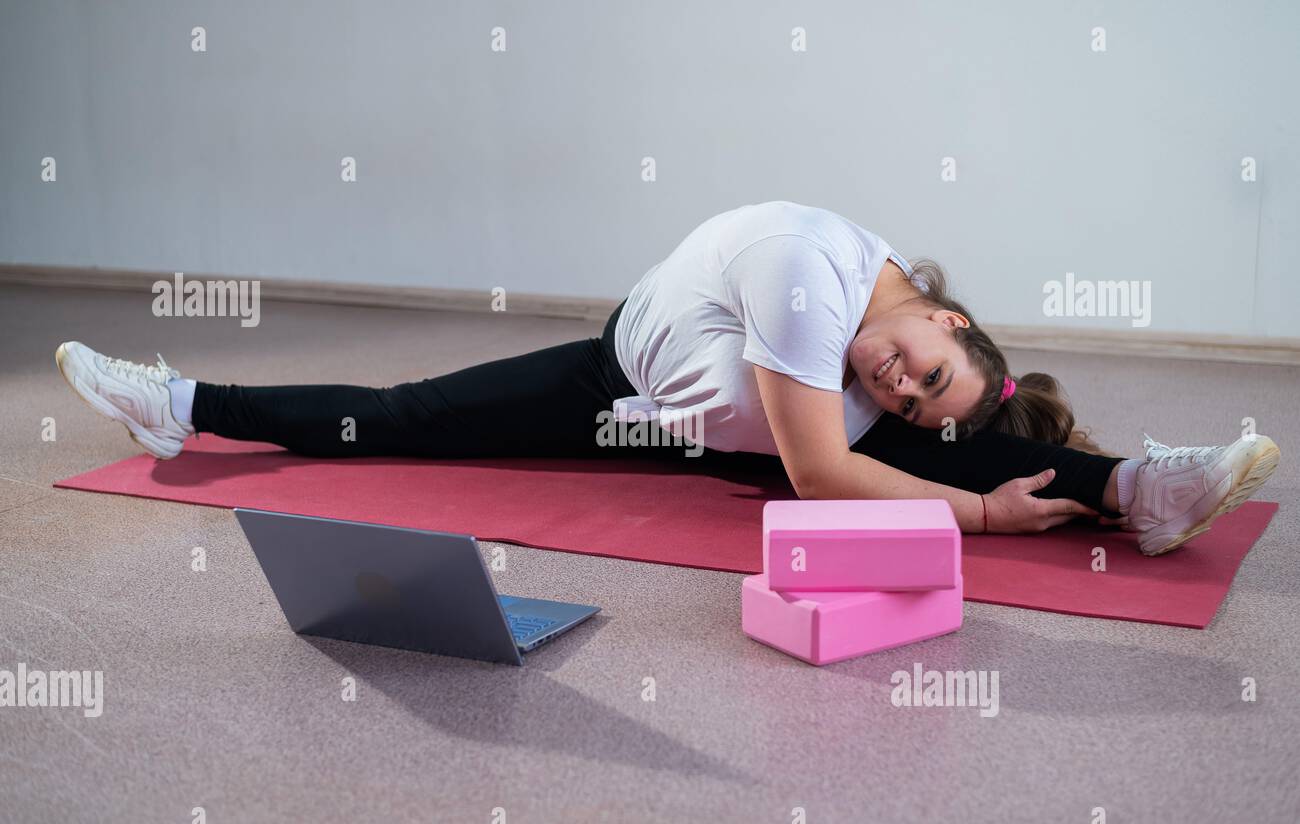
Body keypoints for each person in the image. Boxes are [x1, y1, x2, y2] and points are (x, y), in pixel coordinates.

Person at [55, 201, 1278, 556]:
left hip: (723, 419)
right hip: (626, 391)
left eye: (908, 394)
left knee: (947, 445)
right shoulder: (816, 274)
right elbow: (812, 473)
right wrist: (975, 515)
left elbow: (851, 450)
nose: (900, 383)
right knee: (406, 418)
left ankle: (1137, 490)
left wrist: (966, 471)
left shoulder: (879, 328)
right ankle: (177, 404)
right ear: (947, 314)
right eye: (924, 366)